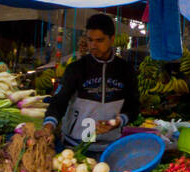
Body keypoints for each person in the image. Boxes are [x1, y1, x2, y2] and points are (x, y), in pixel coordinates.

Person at [43, 13, 139, 153]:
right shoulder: (76, 68)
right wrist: (48, 126)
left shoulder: (125, 70)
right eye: (90, 40)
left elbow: (133, 106)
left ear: (112, 39)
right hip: (74, 145)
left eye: (99, 40)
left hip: (110, 146)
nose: (93, 45)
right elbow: (58, 102)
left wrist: (119, 121)